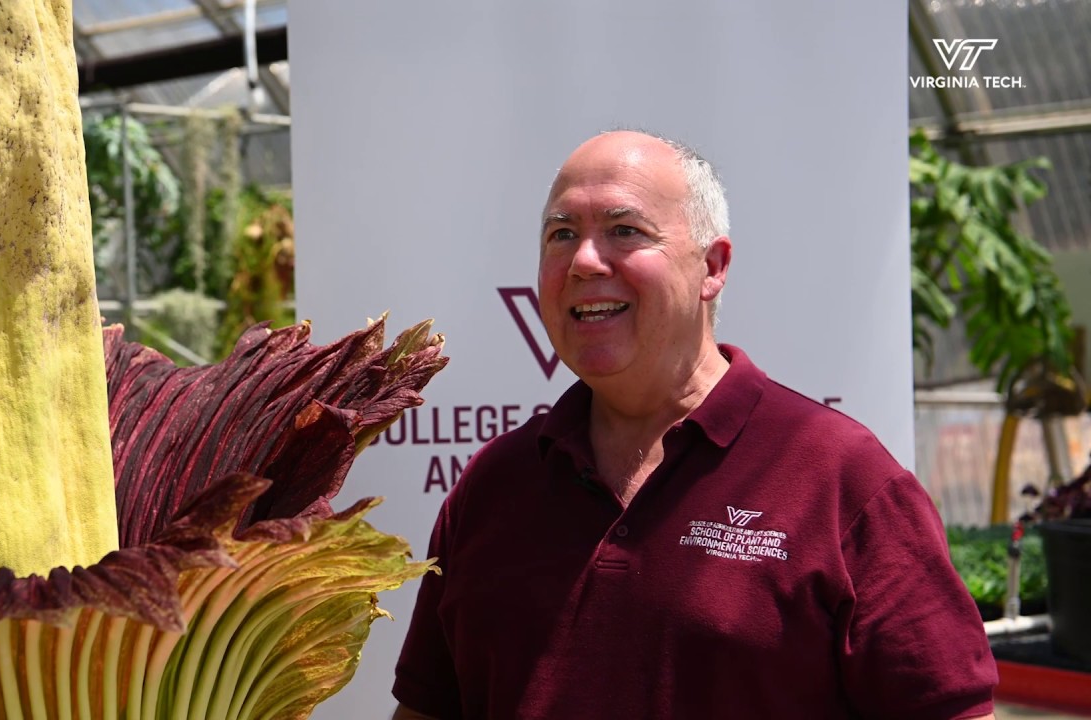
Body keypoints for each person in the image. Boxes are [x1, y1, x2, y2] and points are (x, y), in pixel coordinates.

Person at [391, 130, 998, 719]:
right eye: (561, 234)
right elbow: (427, 708)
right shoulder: (493, 485)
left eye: (624, 231)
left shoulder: (843, 478)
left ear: (712, 267)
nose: (582, 260)